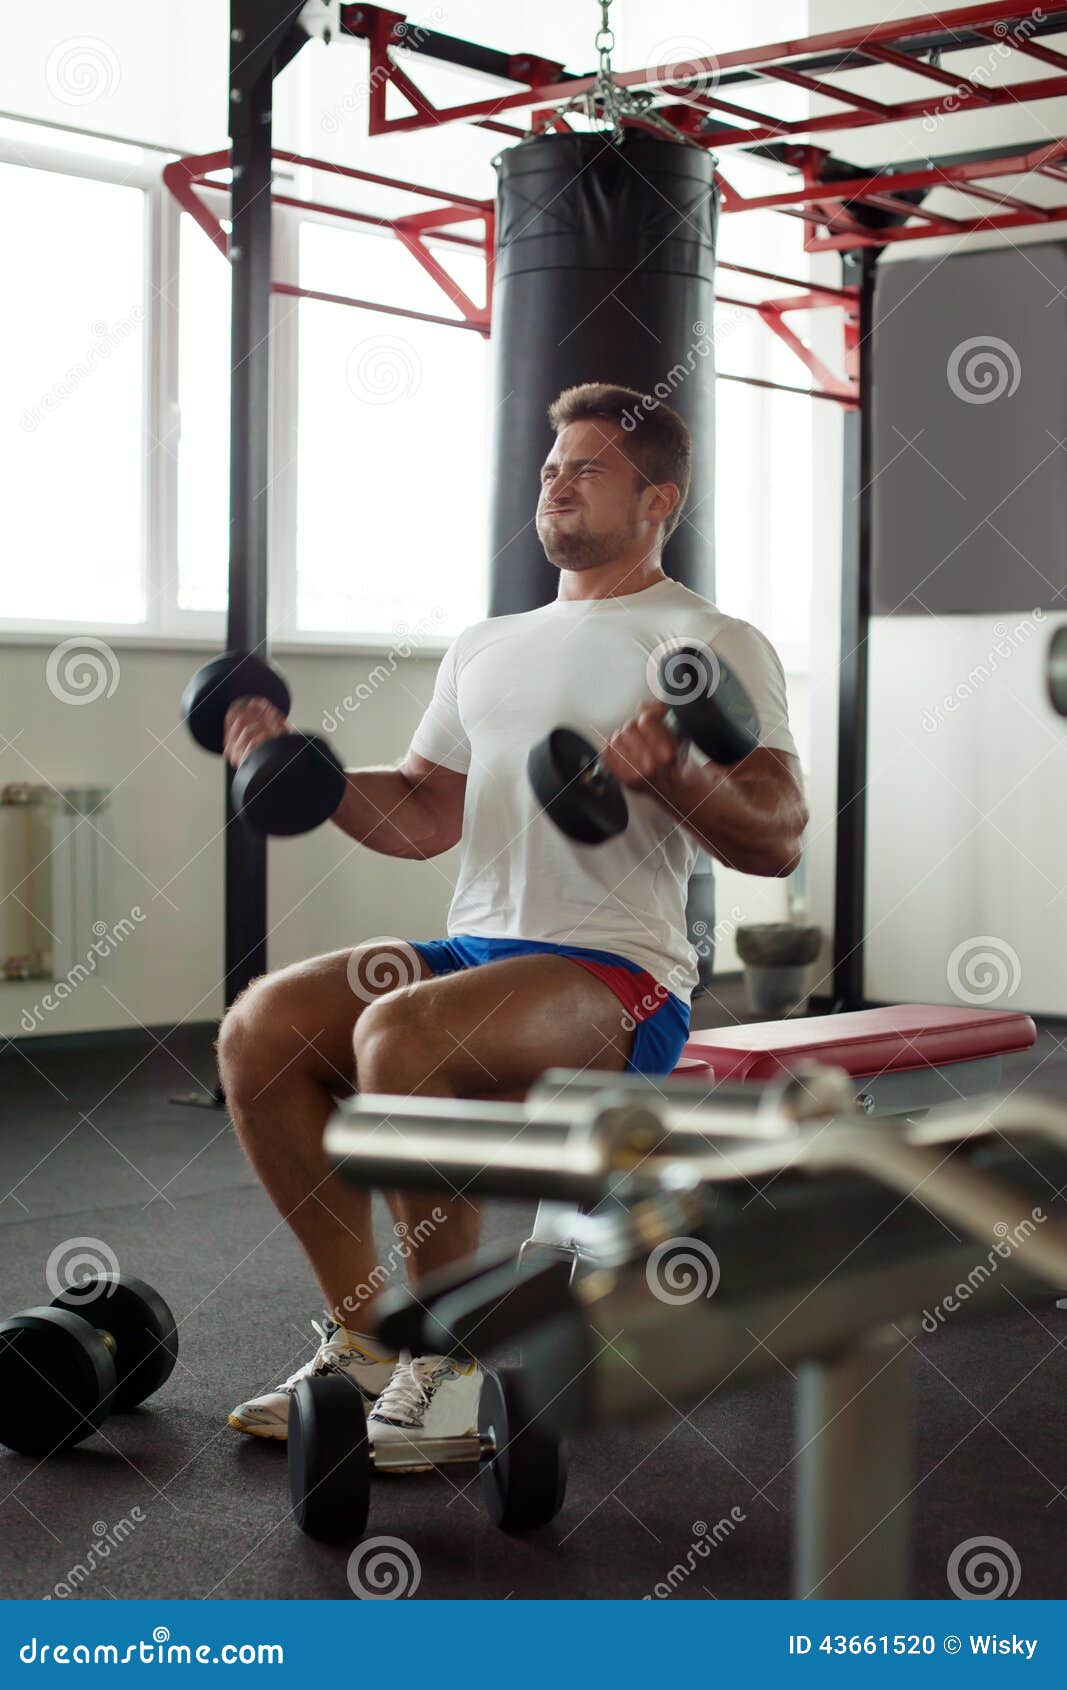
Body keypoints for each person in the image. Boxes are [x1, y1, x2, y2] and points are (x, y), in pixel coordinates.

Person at [218, 381, 807, 1450]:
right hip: (477, 947)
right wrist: (291, 767)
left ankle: (448, 1372)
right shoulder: (485, 641)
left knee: (396, 1030)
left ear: (657, 499)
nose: (557, 486)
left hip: (616, 974)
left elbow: (775, 832)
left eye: (587, 469)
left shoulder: (705, 639)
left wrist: (676, 775)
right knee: (259, 1028)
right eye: (550, 470)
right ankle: (369, 1341)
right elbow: (422, 810)